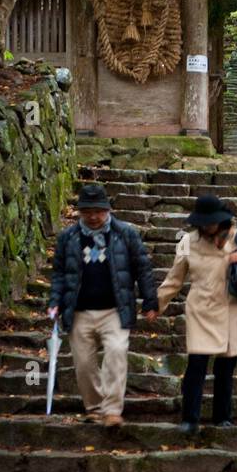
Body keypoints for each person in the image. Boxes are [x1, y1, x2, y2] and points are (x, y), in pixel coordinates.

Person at [157, 192, 237, 434]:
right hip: (201, 309)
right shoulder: (188, 242)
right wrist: (157, 305)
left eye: (213, 222)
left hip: (231, 310)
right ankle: (190, 418)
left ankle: (222, 416)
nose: (209, 227)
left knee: (226, 367)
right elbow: (174, 279)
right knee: (196, 364)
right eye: (204, 223)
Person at [47, 182, 158, 427]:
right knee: (84, 364)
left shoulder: (125, 233)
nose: (94, 217)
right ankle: (94, 407)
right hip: (79, 311)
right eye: (88, 212)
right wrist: (55, 302)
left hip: (114, 310)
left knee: (116, 354)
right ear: (80, 213)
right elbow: (59, 274)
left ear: (107, 210)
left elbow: (143, 268)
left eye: (98, 211)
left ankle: (112, 411)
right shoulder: (68, 238)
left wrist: (150, 301)